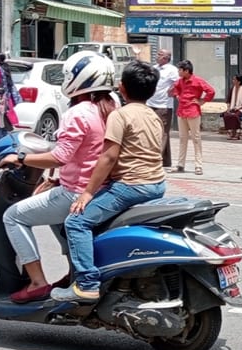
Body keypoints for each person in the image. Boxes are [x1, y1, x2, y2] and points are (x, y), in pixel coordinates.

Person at [0, 52, 118, 303]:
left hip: (76, 192)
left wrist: (20, 158)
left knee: (13, 217)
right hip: (101, 189)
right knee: (54, 216)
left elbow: (60, 156)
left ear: (80, 79)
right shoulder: (111, 108)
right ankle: (72, 272)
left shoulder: (78, 113)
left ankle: (37, 282)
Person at [52, 60, 169, 302]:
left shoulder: (120, 115)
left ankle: (86, 283)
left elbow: (108, 157)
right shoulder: (154, 116)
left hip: (131, 186)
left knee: (76, 222)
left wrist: (86, 193)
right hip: (157, 185)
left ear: (122, 89)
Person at [170, 59, 215, 175]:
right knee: (182, 139)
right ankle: (180, 164)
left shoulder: (198, 81)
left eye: (180, 70)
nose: (178, 72)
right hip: (182, 112)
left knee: (196, 138)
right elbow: (174, 89)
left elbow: (211, 91)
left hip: (193, 111)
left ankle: (198, 165)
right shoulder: (180, 81)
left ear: (186, 71)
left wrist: (202, 101)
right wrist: (177, 96)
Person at [147, 48, 179, 168]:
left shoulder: (172, 70)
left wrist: (173, 89)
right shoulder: (154, 68)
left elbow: (180, 83)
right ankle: (166, 160)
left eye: (160, 54)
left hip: (164, 105)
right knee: (152, 131)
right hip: (151, 103)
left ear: (166, 58)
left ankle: (156, 160)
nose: (157, 56)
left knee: (162, 132)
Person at [222, 75, 242, 140]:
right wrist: (229, 108)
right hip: (232, 108)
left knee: (235, 116)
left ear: (238, 81)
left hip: (240, 109)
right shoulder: (232, 89)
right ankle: (231, 133)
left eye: (234, 79)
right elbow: (228, 100)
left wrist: (239, 107)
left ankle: (236, 134)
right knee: (226, 115)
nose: (233, 81)